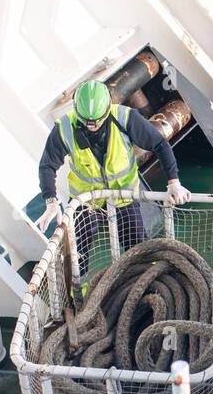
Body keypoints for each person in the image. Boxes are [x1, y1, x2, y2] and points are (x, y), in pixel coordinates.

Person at [36, 80, 190, 285]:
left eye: (98, 120)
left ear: (108, 108)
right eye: (87, 122)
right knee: (76, 251)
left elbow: (159, 144)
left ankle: (147, 284)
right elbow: (47, 165)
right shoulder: (64, 128)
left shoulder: (125, 118)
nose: (93, 126)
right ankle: (77, 294)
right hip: (87, 202)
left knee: (138, 247)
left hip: (124, 197)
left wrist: (174, 182)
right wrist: (51, 201)